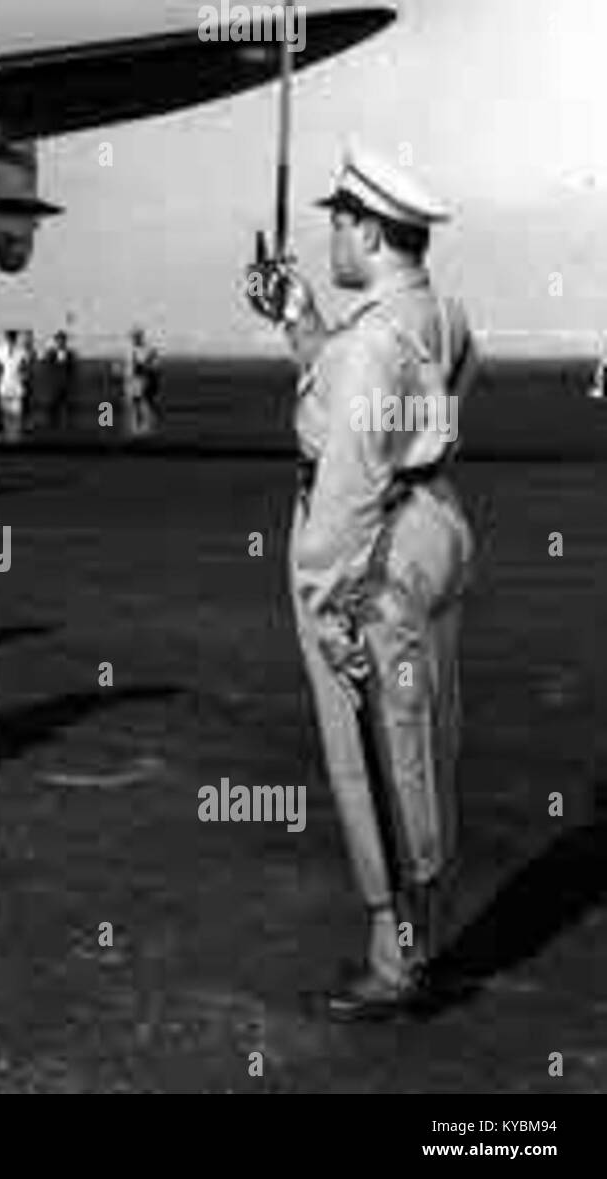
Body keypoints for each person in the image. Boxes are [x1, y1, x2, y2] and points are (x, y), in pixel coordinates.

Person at [252, 144, 477, 1020]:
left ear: (372, 231)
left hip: (373, 549)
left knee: (373, 757)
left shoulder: (368, 348)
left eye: (339, 223)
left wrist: (331, 610)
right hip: (433, 525)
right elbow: (406, 396)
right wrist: (303, 321)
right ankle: (424, 937)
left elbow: (345, 487)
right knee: (425, 741)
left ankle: (397, 964)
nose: (331, 237)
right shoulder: (436, 314)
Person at [123, 328, 158, 437]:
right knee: (134, 403)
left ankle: (146, 427)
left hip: (141, 379)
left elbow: (146, 365)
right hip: (132, 379)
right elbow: (130, 366)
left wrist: (142, 365)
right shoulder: (132, 350)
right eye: (133, 337)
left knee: (143, 402)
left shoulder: (146, 350)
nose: (133, 339)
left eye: (135, 337)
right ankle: (136, 427)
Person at [0, 329, 27, 443]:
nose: (11, 339)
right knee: (4, 412)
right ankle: (4, 435)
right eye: (9, 337)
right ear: (5, 338)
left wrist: (23, 379)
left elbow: (24, 368)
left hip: (17, 384)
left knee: (17, 412)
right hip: (3, 384)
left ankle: (15, 437)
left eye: (13, 337)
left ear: (16, 338)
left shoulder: (22, 351)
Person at [41, 329, 77, 431]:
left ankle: (66, 429)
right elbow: (47, 368)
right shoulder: (50, 354)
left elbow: (72, 369)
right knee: (52, 409)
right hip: (54, 386)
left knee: (66, 408)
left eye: (62, 340)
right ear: (56, 341)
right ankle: (51, 428)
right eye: (59, 340)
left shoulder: (70, 354)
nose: (61, 342)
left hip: (66, 385)